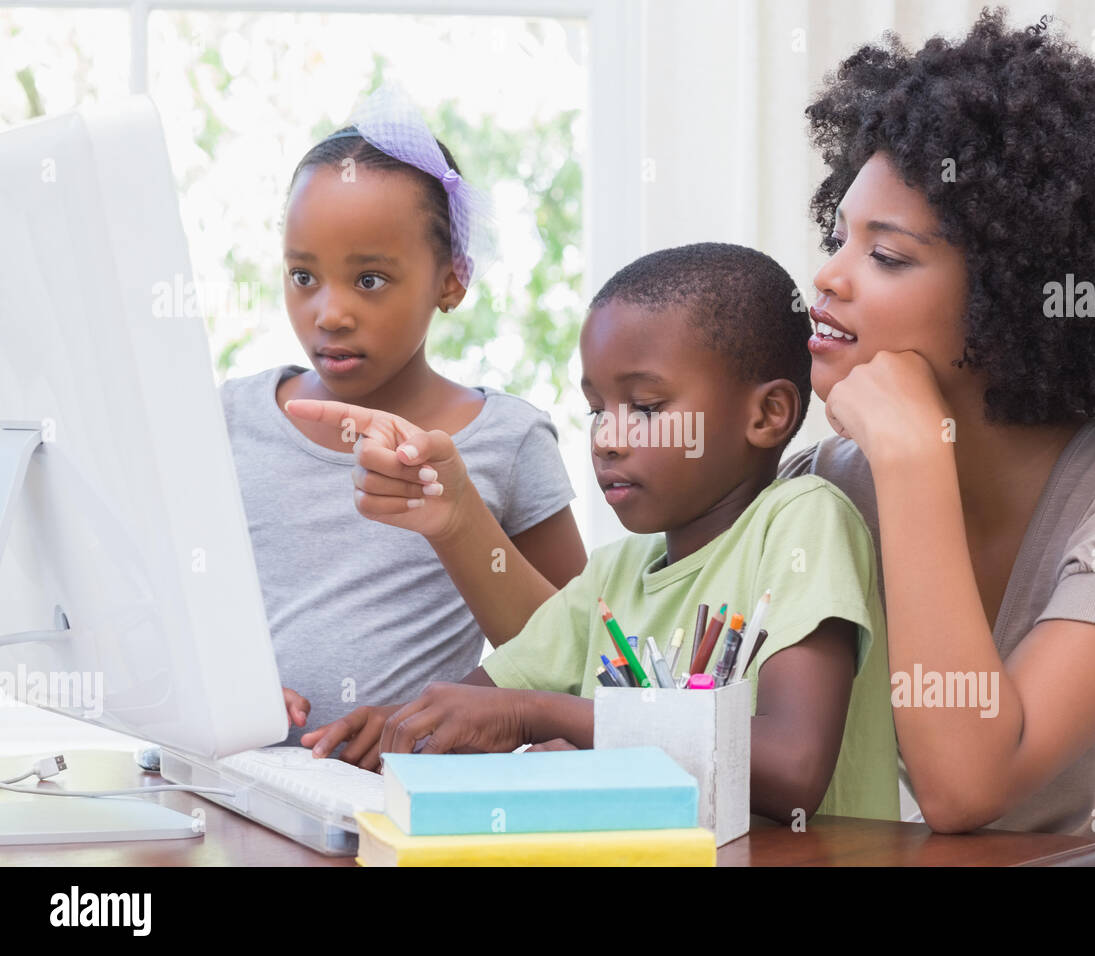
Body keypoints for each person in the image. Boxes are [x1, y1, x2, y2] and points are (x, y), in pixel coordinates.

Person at [782, 9, 1095, 864]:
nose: (828, 277)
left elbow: (966, 784)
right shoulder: (824, 487)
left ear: (1015, 297)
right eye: (841, 239)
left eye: (889, 256)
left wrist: (915, 457)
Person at [289, 243, 899, 822]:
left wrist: (535, 716)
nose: (607, 437)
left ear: (767, 415)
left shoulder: (804, 520)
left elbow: (792, 765)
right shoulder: (613, 574)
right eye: (596, 410)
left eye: (647, 408)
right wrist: (399, 728)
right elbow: (481, 708)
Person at [220, 84, 586, 746]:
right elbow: (164, 614)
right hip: (241, 784)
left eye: (368, 280)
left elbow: (578, 663)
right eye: (303, 276)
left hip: (409, 807)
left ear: (451, 279)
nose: (329, 313)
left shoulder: (508, 440)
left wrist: (461, 523)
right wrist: (226, 688)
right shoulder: (229, 419)